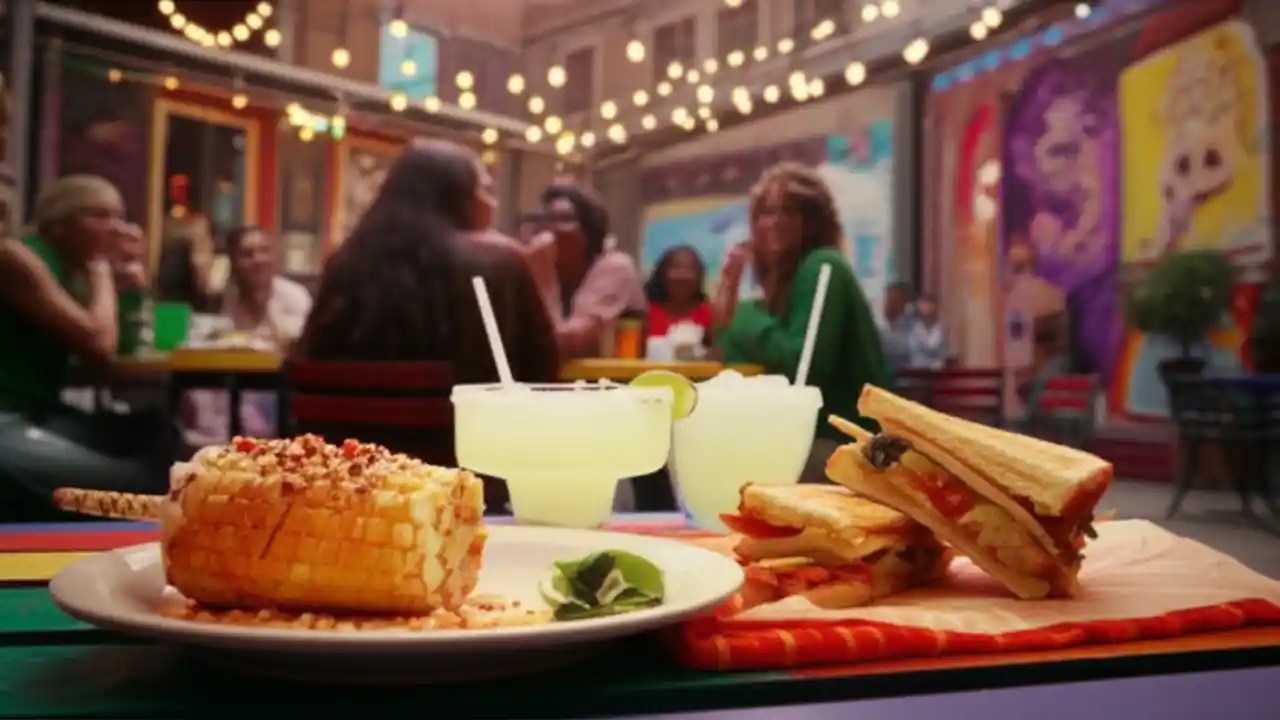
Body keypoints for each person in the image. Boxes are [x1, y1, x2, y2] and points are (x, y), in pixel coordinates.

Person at [0, 175, 183, 520]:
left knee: (157, 432)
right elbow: (99, 342)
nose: (114, 228)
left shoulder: (71, 273)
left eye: (118, 216)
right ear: (59, 223)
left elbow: (123, 349)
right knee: (136, 483)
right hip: (7, 418)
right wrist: (101, 267)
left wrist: (131, 283)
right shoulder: (18, 259)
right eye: (99, 216)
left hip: (39, 412)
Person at [713, 162, 889, 482]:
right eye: (764, 212)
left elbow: (802, 367)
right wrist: (728, 289)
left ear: (814, 220)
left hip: (845, 444)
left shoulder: (824, 267)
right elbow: (731, 354)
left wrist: (744, 315)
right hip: (807, 438)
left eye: (788, 211)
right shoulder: (784, 284)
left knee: (736, 467)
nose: (773, 222)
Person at [536, 183, 645, 359]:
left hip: (610, 383)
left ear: (589, 231)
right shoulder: (544, 269)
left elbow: (566, 343)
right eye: (546, 219)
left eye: (564, 219)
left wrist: (544, 277)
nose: (551, 228)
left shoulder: (616, 267)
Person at [644, 245, 713, 346]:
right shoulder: (646, 313)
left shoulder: (709, 315)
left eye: (690, 270)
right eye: (676, 268)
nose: (683, 275)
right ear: (662, 274)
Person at [907, 293, 948, 369]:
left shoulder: (941, 329)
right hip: (917, 372)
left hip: (936, 373)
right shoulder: (914, 328)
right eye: (922, 306)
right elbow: (913, 351)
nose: (925, 309)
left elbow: (943, 354)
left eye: (928, 305)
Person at [880, 280, 914, 372]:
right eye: (886, 299)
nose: (886, 305)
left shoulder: (913, 330)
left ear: (904, 302)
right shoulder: (884, 330)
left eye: (891, 300)